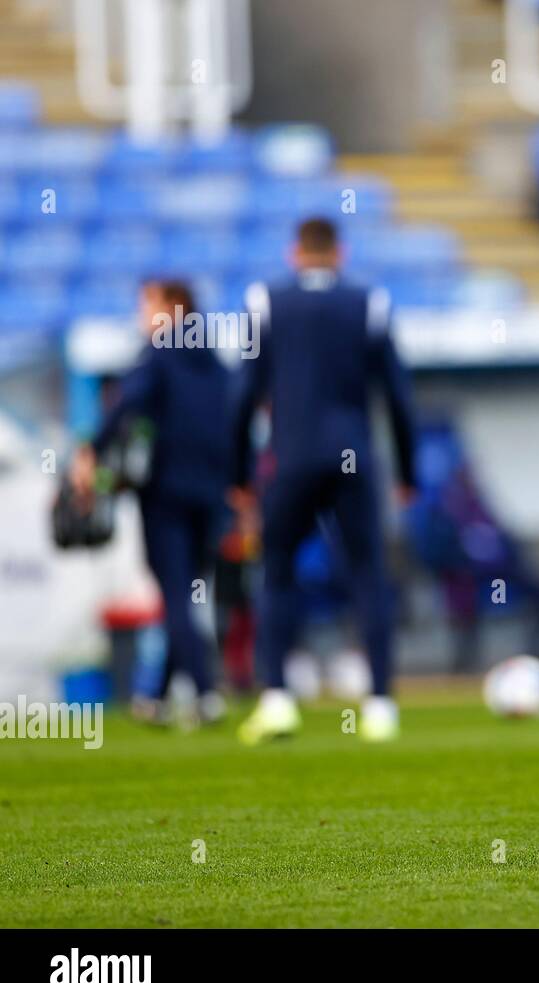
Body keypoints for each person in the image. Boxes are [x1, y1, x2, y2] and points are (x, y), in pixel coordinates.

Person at [231, 218, 417, 744]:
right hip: (353, 456)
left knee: (276, 571)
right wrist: (407, 471)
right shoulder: (369, 301)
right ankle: (380, 704)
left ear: (296, 252)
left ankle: (277, 699)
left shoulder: (266, 299)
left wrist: (238, 472)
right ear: (341, 252)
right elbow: (398, 396)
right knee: (368, 573)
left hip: (288, 457)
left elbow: (244, 393)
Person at [72, 279, 233, 725]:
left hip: (165, 493)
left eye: (147, 305)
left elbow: (127, 406)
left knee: (175, 594)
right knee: (186, 595)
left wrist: (91, 451)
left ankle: (204, 691)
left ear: (172, 308)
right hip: (210, 494)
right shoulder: (215, 362)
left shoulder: (158, 355)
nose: (142, 315)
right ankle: (158, 696)